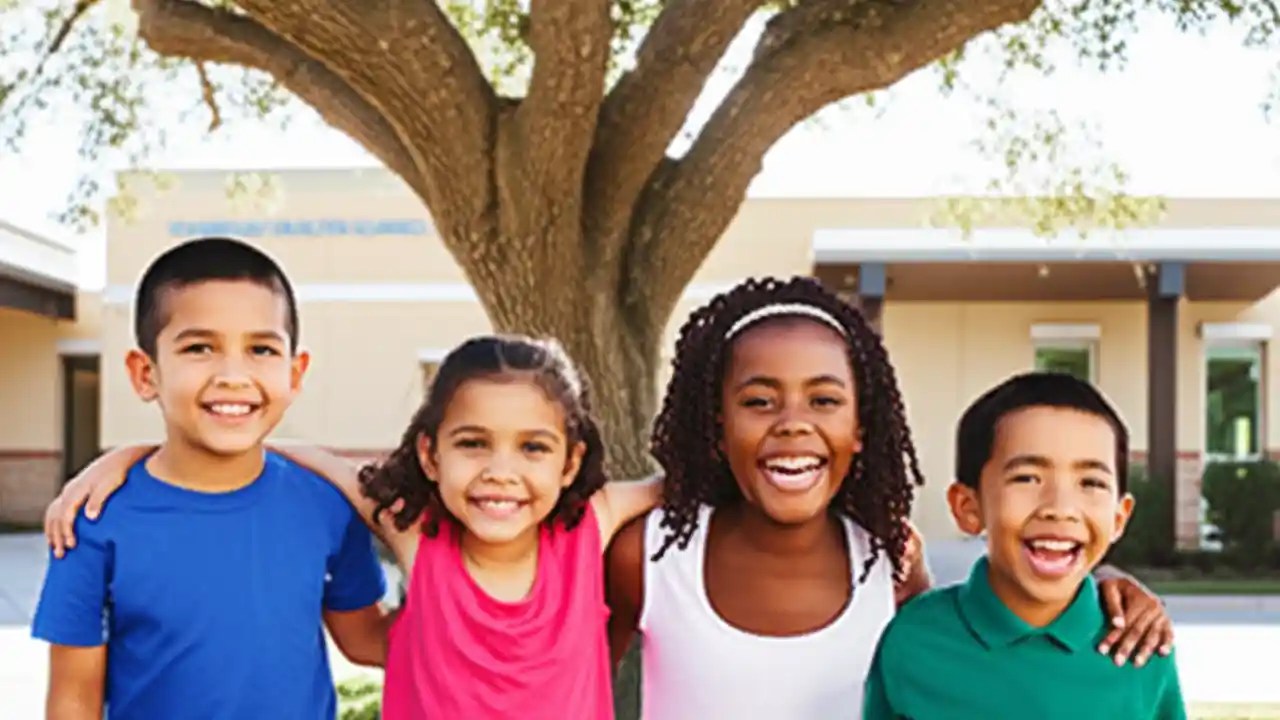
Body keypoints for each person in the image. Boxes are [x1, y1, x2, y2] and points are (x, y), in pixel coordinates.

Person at [605, 277, 1176, 720]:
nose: (793, 425)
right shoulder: (648, 558)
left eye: (825, 400)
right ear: (716, 422)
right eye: (759, 402)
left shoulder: (889, 559)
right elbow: (566, 689)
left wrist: (1110, 587)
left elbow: (995, 612)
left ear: (862, 427)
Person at [45, 334, 661, 720]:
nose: (501, 472)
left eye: (533, 447)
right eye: (472, 443)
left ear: (571, 461)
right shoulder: (416, 535)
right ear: (429, 454)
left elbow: (697, 483)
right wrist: (123, 457)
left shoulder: (591, 524)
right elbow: (290, 450)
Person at [31, 237, 390, 720]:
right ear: (145, 373)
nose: (233, 375)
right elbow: (74, 698)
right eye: (200, 347)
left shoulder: (324, 507)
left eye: (261, 349)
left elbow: (369, 641)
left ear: (295, 372)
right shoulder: (93, 518)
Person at [862, 372, 1186, 719]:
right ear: (968, 508)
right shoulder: (913, 639)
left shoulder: (1140, 649)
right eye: (1027, 478)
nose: (1060, 507)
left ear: (1119, 518)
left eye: (1091, 482)